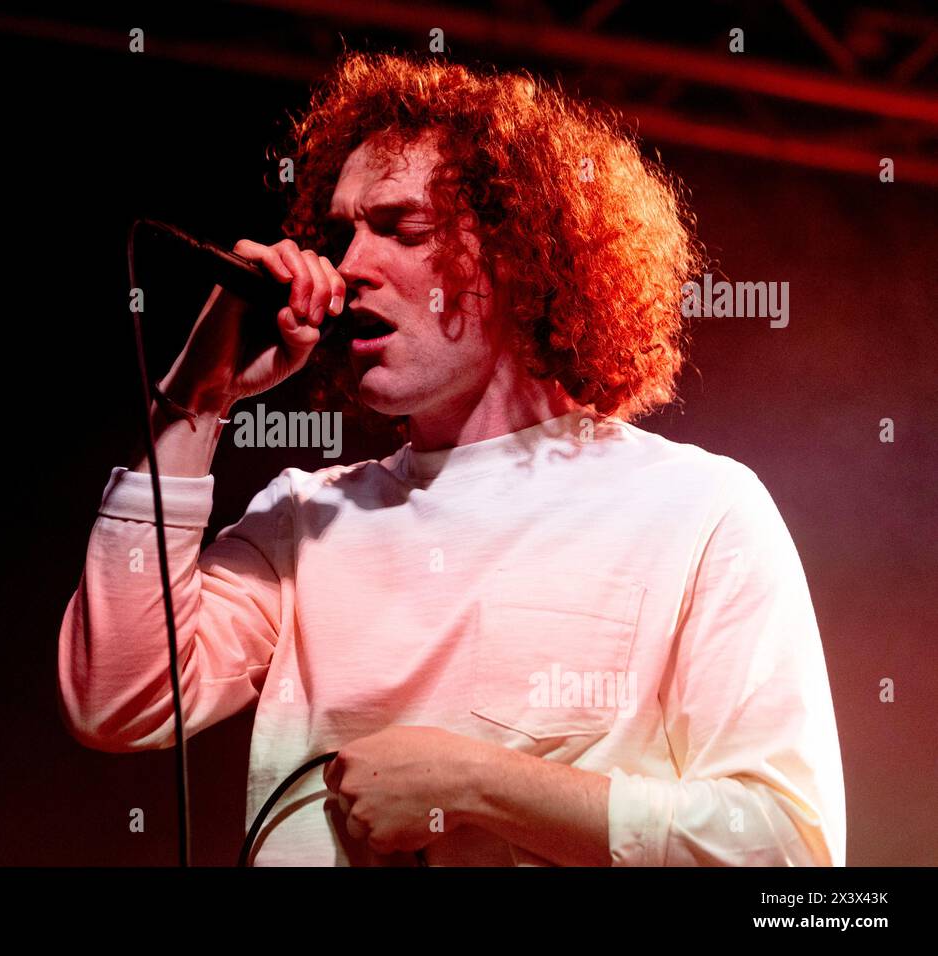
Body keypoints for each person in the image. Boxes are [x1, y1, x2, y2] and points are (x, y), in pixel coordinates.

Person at [57, 52, 846, 866]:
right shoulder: (306, 521)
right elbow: (117, 699)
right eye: (342, 233)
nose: (350, 265)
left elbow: (786, 849)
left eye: (401, 228)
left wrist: (476, 783)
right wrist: (200, 393)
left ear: (519, 252)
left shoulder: (698, 509)